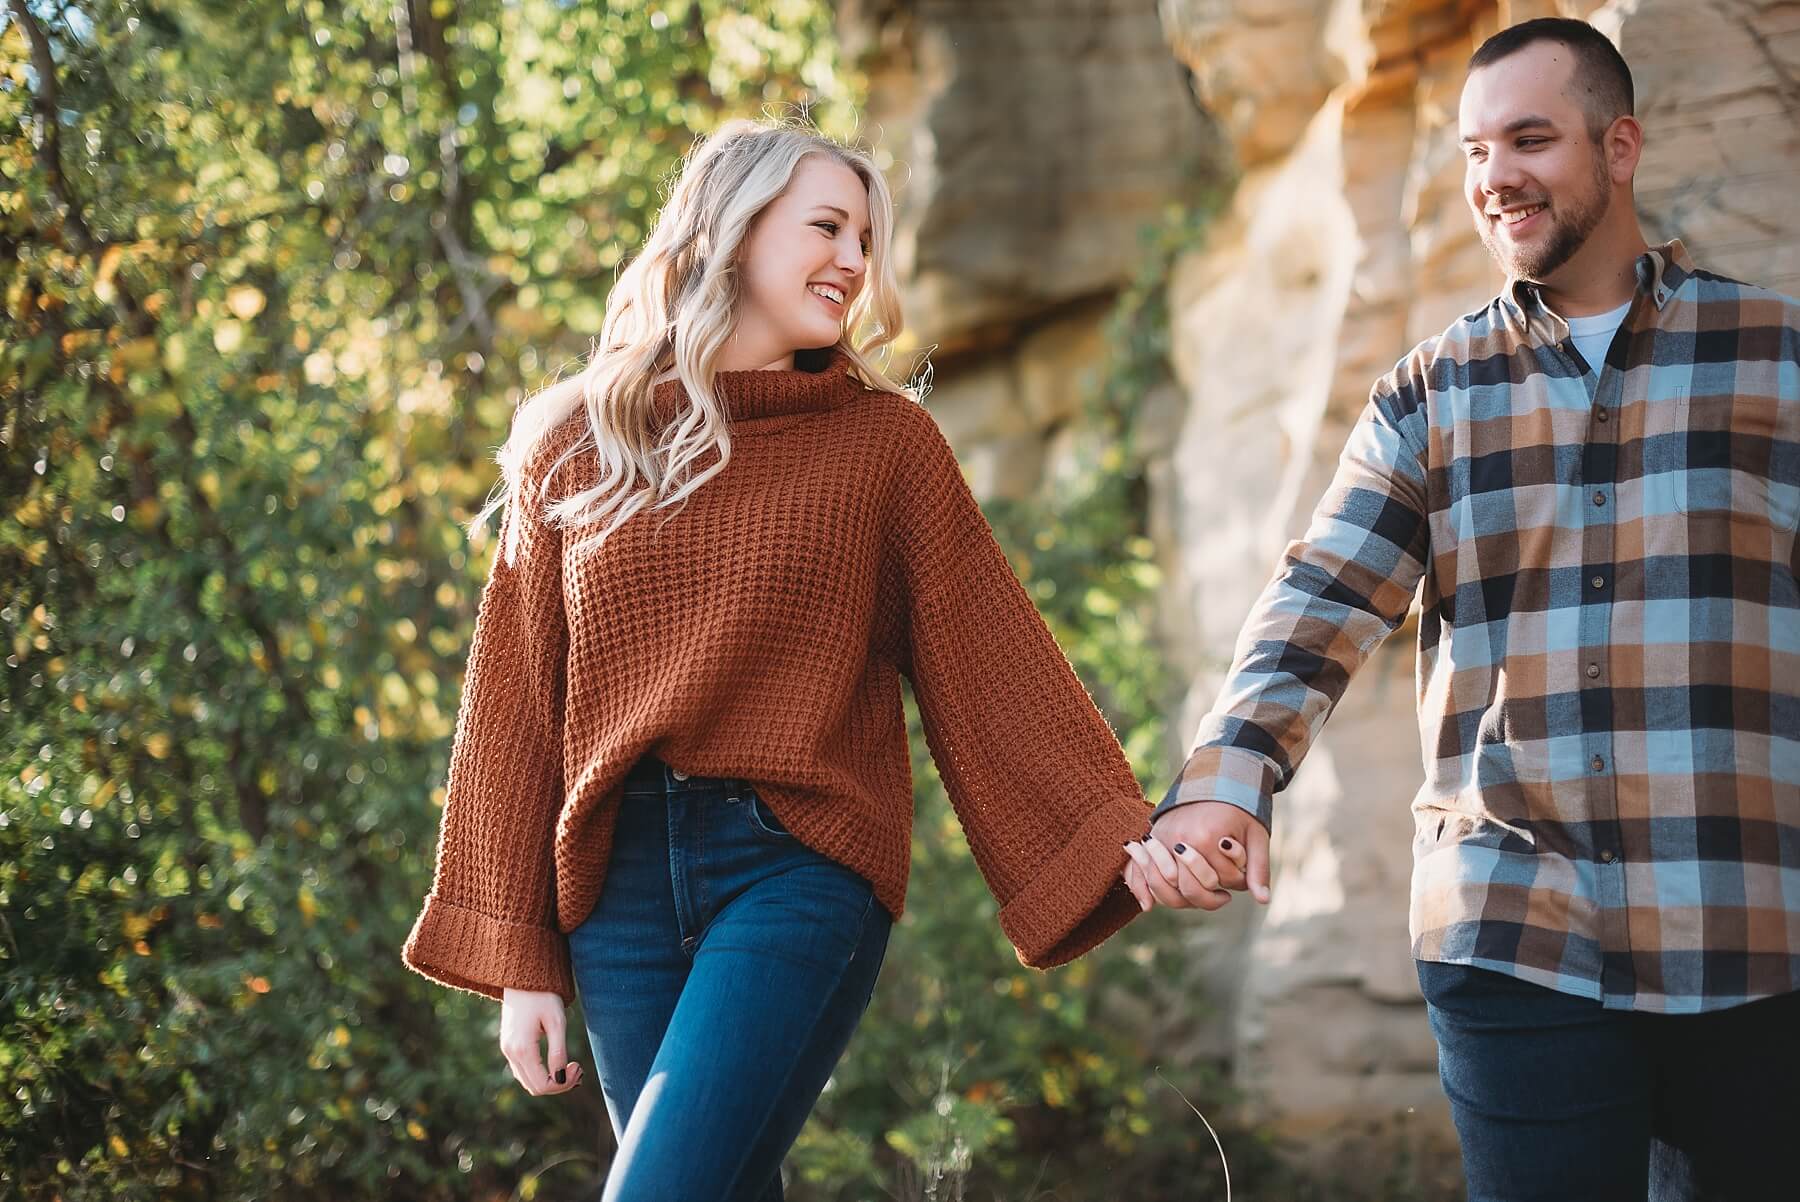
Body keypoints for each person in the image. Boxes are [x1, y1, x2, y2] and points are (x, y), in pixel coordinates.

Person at [401, 117, 1152, 1202]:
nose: (855, 260)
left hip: (795, 861)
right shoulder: (577, 436)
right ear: (731, 231)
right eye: (828, 226)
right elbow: (516, 704)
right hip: (614, 886)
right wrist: (520, 950)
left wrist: (1118, 833)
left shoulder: (882, 446)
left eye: (866, 237)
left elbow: (991, 661)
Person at [1122, 18, 1799, 1202]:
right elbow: (1325, 589)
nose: (1494, 179)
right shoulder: (1432, 389)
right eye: (1476, 150)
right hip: (1513, 928)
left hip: (1751, 927)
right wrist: (1231, 771)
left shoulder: (1775, 358)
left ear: (1620, 144)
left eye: (1530, 139)